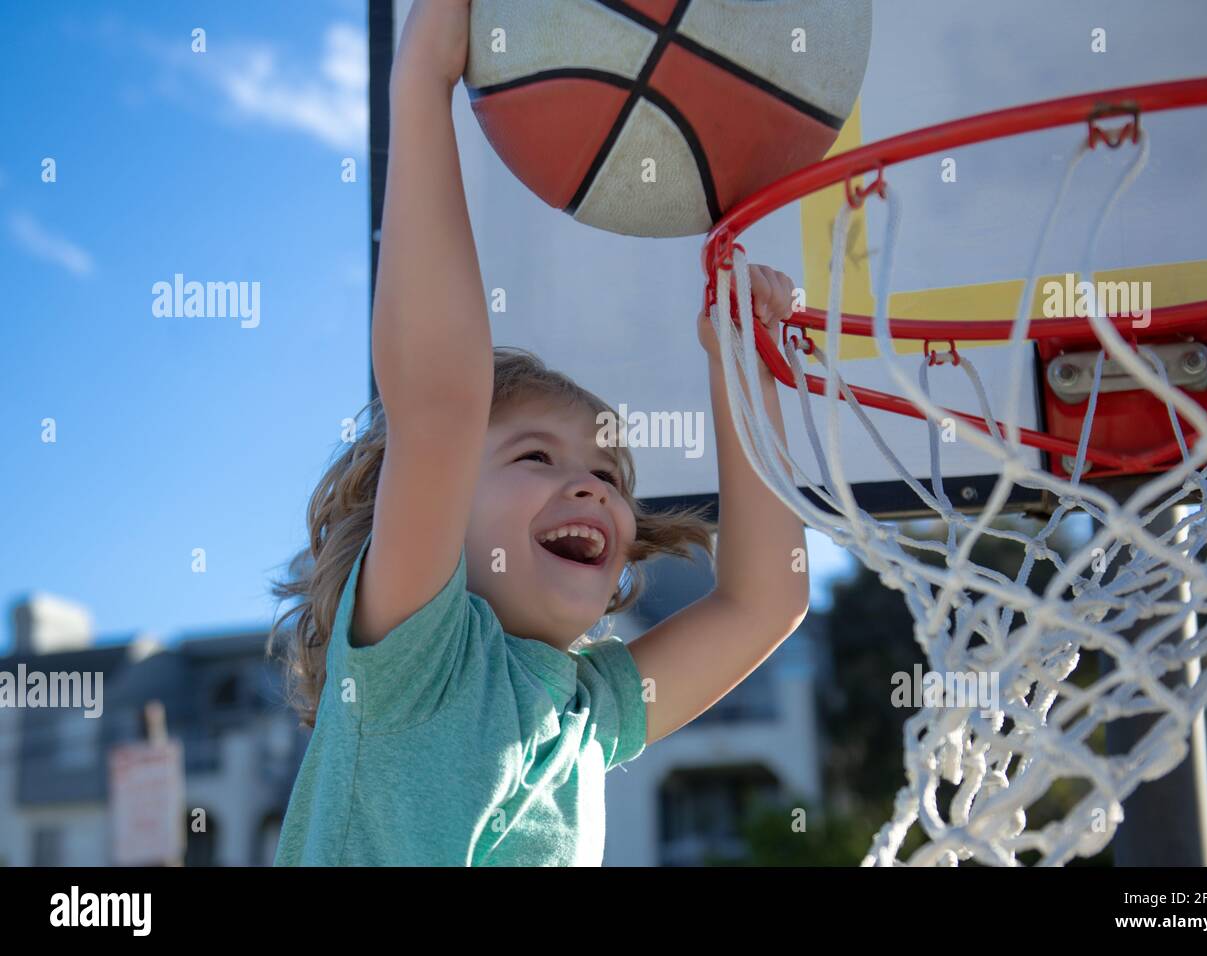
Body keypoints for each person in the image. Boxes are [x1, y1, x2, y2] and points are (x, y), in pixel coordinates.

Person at [271, 0, 808, 866]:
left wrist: (741, 365)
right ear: (436, 500)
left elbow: (765, 600)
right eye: (535, 456)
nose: (593, 485)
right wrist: (423, 82)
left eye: (610, 473)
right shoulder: (419, 661)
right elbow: (442, 402)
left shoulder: (587, 715)